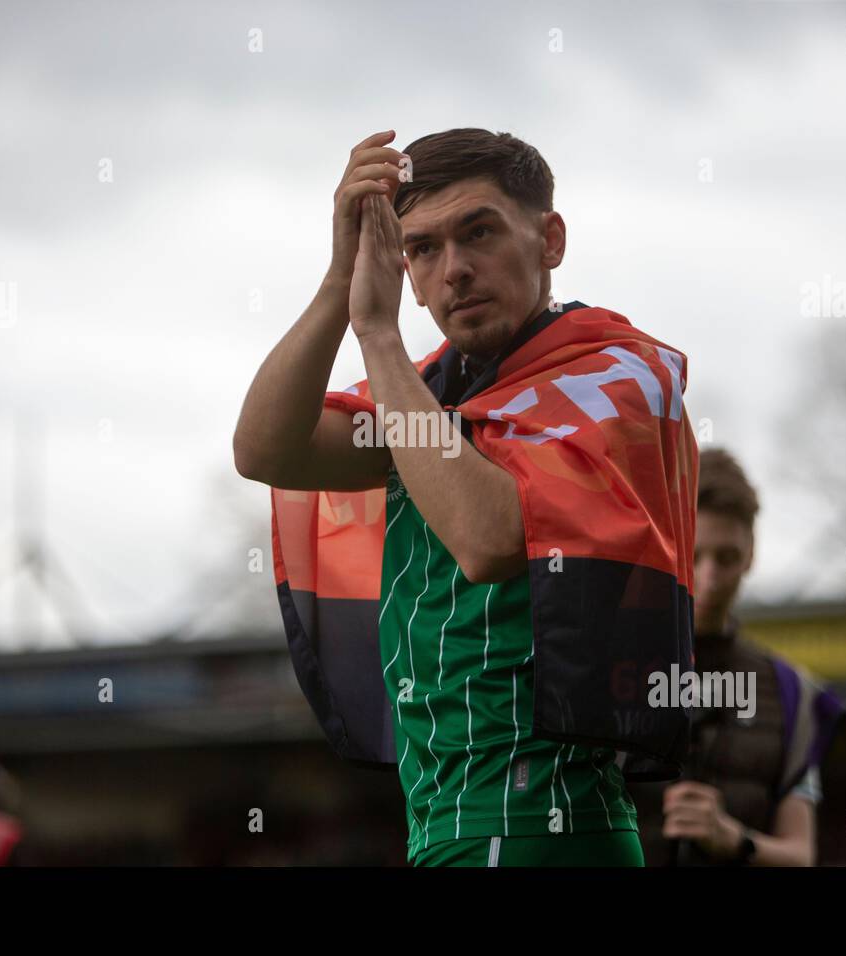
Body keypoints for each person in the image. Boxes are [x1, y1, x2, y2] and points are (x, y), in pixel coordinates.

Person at [236, 128, 698, 866]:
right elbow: (265, 449)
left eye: (477, 232)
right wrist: (338, 283)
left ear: (550, 239)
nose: (453, 270)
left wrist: (379, 337)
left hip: (539, 828)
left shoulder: (620, 370)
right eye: (420, 249)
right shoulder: (429, 394)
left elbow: (489, 540)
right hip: (444, 824)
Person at [631, 448, 845, 866]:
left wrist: (734, 838)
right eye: (693, 554)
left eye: (726, 557)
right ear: (666, 545)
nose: (709, 578)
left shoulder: (793, 694)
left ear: (751, 553)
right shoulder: (600, 670)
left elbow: (801, 855)